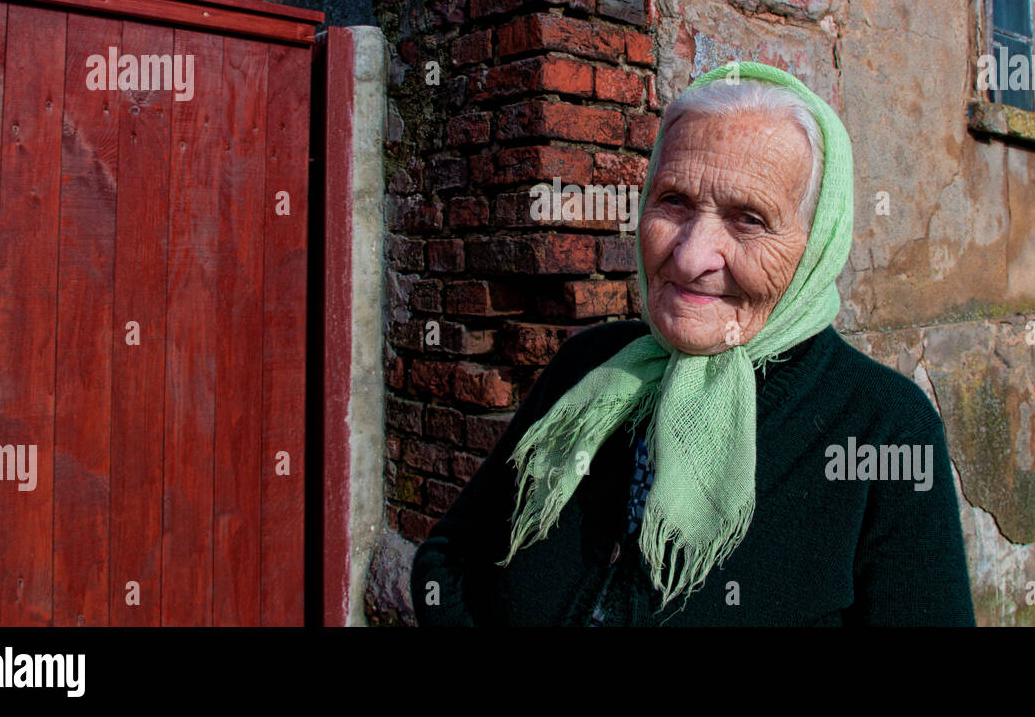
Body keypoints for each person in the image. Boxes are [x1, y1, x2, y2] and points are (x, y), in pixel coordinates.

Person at [410, 60, 976, 626]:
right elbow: (447, 561)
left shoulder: (885, 429)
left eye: (748, 218)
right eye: (674, 201)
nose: (688, 256)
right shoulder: (588, 365)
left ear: (818, 242)